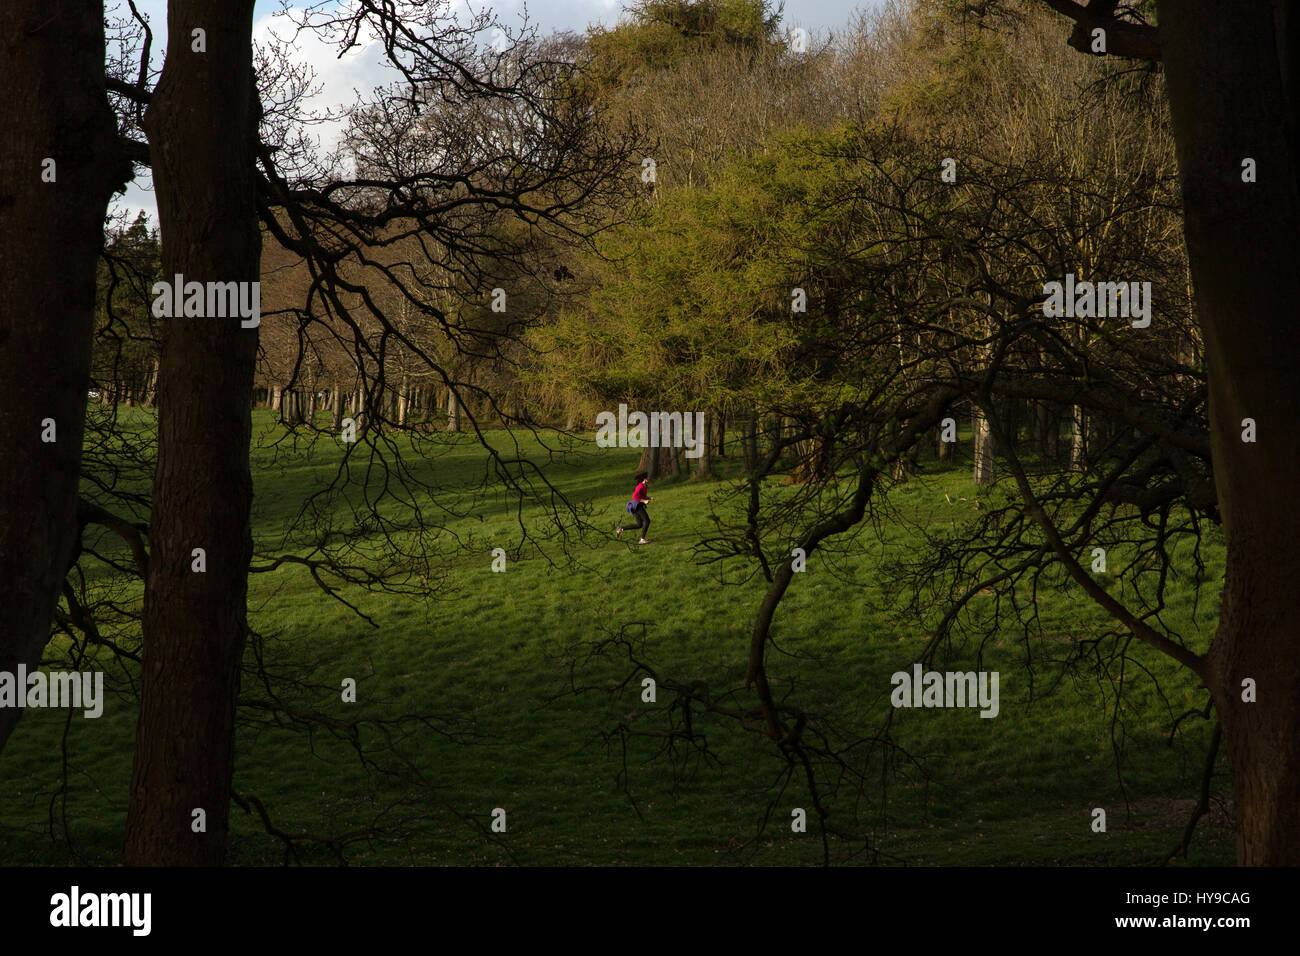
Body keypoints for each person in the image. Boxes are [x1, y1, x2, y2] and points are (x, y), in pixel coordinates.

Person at [616, 472, 653, 544]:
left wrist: (648, 498)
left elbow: (641, 496)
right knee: (647, 521)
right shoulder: (640, 486)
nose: (649, 478)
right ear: (644, 479)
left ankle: (621, 528)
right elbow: (635, 496)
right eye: (648, 477)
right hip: (637, 506)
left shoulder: (644, 486)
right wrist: (644, 501)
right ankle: (642, 539)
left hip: (637, 506)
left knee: (639, 525)